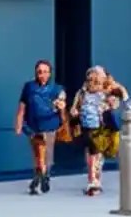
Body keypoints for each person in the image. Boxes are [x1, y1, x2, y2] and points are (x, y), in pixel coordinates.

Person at [14, 60, 66, 195]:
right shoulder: (29, 87)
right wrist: (19, 123)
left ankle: (42, 177)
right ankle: (40, 177)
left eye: (45, 72)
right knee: (37, 153)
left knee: (47, 154)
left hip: (50, 124)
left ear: (50, 73)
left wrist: (63, 119)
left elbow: (62, 107)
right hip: (33, 125)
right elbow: (22, 106)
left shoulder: (57, 89)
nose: (42, 75)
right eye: (39, 72)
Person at [70, 66, 112, 196]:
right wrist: (74, 112)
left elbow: (114, 104)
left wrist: (106, 106)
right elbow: (73, 108)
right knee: (91, 154)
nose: (92, 83)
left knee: (97, 154)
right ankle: (93, 180)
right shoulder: (81, 93)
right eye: (90, 80)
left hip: (100, 127)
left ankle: (95, 180)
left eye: (96, 81)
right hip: (86, 127)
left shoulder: (105, 93)